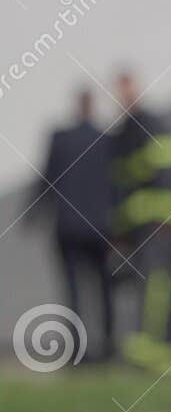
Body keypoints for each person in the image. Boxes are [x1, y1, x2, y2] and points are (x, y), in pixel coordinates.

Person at [108, 70, 171, 372]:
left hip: (157, 223)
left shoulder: (145, 128)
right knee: (154, 284)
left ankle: (155, 347)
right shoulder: (142, 128)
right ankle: (153, 345)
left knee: (157, 285)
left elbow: (144, 174)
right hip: (153, 223)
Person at [30, 88, 115, 361]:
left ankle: (77, 353)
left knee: (74, 291)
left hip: (68, 228)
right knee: (103, 290)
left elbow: (46, 179)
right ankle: (107, 347)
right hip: (101, 229)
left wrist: (31, 213)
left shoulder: (61, 139)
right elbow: (116, 184)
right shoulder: (106, 141)